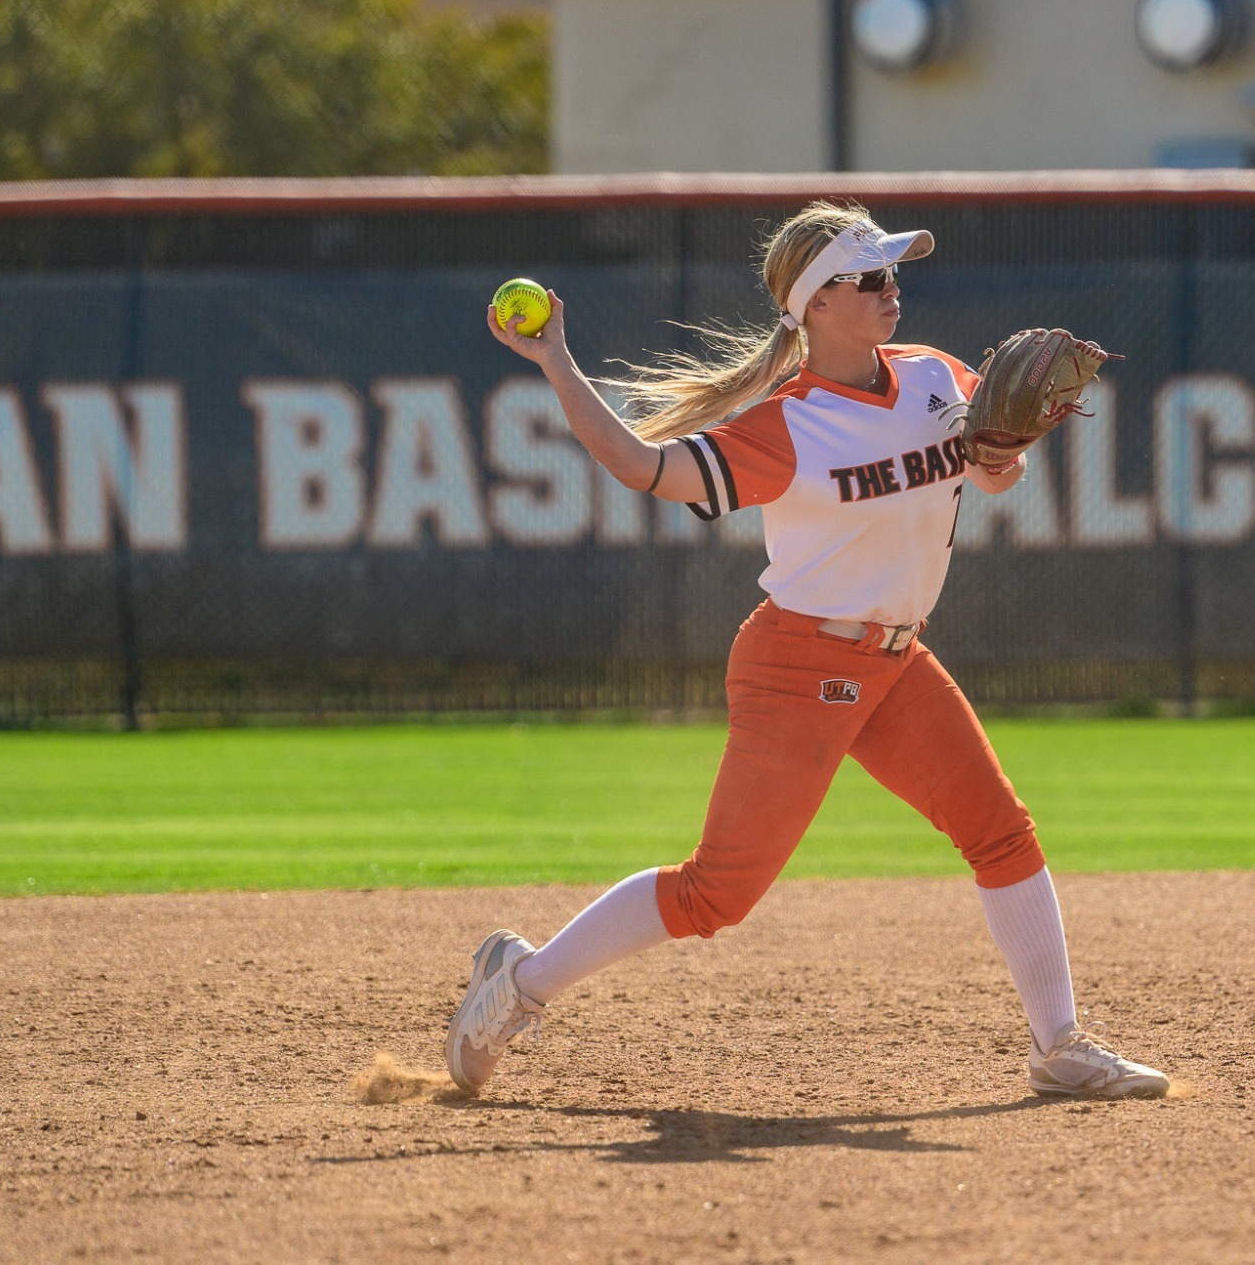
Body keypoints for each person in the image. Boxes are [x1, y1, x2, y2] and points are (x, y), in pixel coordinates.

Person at [448, 201, 1168, 1101]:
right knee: (715, 893)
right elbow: (641, 466)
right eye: (869, 276)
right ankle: (517, 983)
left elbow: (989, 473)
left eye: (892, 270)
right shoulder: (787, 424)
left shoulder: (937, 375)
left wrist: (1001, 453)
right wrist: (556, 360)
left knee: (1001, 832)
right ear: (815, 304)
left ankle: (1058, 1045)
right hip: (799, 664)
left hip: (896, 660)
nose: (890, 286)